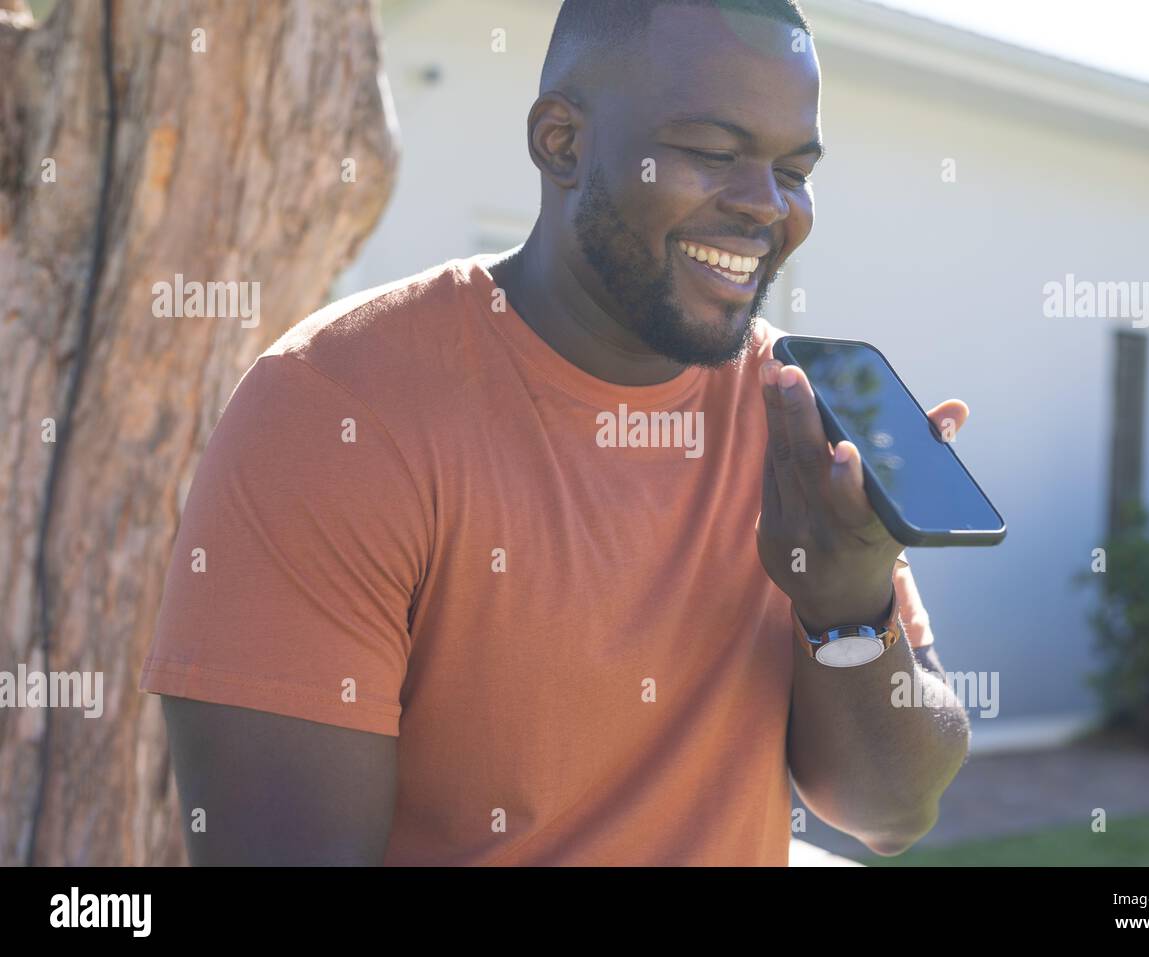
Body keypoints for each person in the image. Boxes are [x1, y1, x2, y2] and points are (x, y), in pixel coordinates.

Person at [140, 0, 971, 866]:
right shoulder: (332, 414)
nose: (767, 207)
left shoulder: (796, 421)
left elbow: (891, 810)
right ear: (562, 142)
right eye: (714, 153)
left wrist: (848, 602)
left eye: (793, 169)